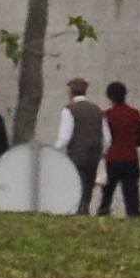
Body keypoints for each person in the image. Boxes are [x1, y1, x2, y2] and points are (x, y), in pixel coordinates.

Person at [98, 81, 140, 219]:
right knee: (131, 192)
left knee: (107, 192)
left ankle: (104, 212)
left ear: (110, 97)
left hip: (112, 158)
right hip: (130, 157)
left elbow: (102, 137)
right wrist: (135, 143)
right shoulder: (134, 114)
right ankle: (134, 215)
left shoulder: (107, 115)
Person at [56, 75, 107, 213]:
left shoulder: (69, 110)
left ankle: (79, 210)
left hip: (77, 151)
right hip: (95, 152)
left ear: (71, 92)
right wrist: (102, 152)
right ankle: (85, 208)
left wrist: (56, 150)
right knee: (89, 183)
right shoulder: (97, 110)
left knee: (77, 182)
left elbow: (65, 136)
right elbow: (107, 137)